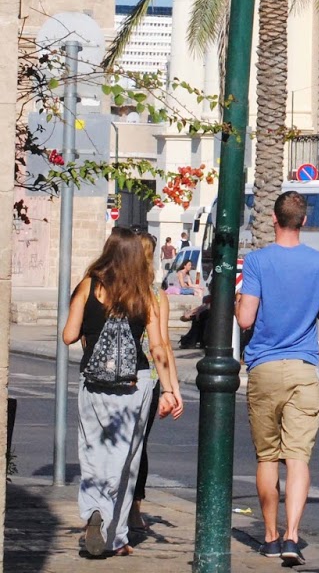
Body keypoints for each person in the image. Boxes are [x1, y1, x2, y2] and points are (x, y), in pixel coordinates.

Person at [238, 191, 319, 566]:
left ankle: (268, 535)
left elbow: (245, 319)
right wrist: (313, 309)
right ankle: (292, 536)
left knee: (268, 456)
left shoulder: (257, 261)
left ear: (273, 218)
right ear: (304, 221)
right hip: (302, 368)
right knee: (298, 457)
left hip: (265, 366)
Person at [61, 228, 184, 558]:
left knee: (91, 452)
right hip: (134, 384)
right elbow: (158, 346)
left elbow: (68, 335)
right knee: (124, 459)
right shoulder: (145, 293)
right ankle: (113, 535)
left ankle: (93, 515)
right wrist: (171, 389)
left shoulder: (90, 284)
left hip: (93, 384)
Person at [130, 233, 176, 533]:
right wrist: (172, 388)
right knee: (139, 445)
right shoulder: (156, 295)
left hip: (117, 376)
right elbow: (164, 345)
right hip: (149, 376)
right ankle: (134, 509)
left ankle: (112, 507)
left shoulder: (115, 288)